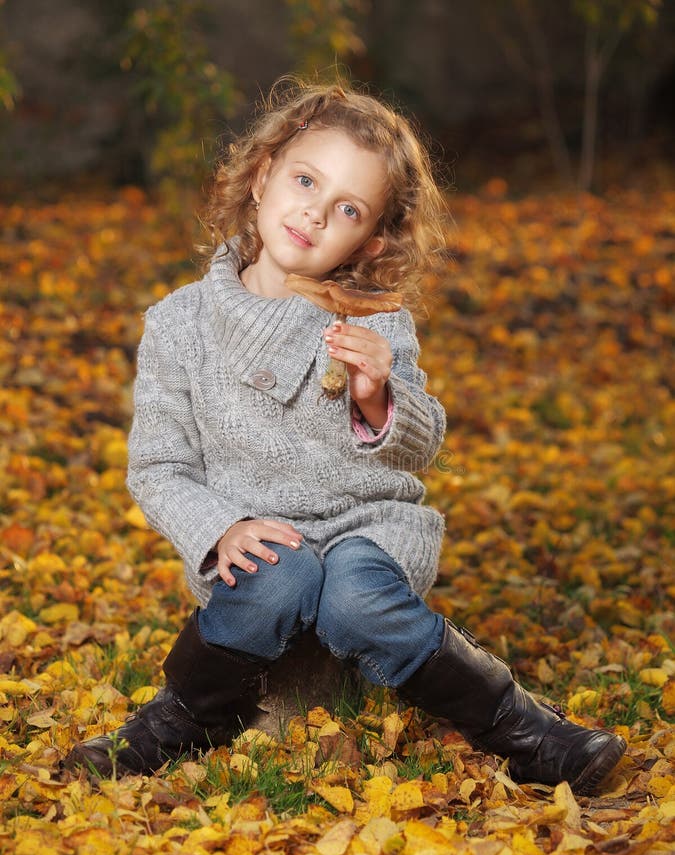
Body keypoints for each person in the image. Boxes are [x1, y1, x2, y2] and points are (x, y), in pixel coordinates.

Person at [64, 78, 626, 794]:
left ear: (371, 237)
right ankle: (187, 715)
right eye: (304, 180)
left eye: (347, 209)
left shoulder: (373, 319)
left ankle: (523, 731)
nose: (314, 213)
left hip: (366, 524)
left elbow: (423, 444)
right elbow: (159, 465)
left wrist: (378, 395)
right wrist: (222, 526)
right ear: (263, 175)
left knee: (358, 600)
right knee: (278, 579)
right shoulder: (179, 323)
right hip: (258, 534)